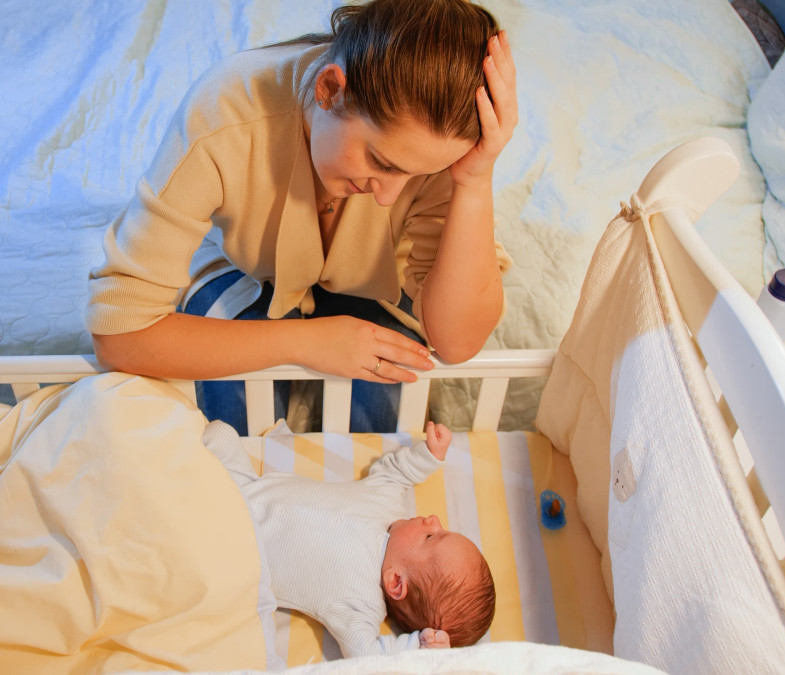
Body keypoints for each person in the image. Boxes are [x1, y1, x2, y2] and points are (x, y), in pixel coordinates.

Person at [86, 0, 517, 433]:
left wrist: (475, 179)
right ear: (329, 90)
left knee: (388, 436)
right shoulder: (224, 114)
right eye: (382, 163)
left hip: (384, 283)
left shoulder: (441, 153)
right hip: (247, 269)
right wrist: (307, 343)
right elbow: (118, 331)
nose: (387, 198)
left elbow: (457, 342)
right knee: (233, 439)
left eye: (417, 175)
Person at [201, 418, 496, 657]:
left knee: (197, 564)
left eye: (432, 536)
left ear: (396, 582)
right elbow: (396, 474)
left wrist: (417, 648)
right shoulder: (386, 502)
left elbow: (365, 654)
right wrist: (430, 456)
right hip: (245, 486)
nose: (433, 519)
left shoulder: (361, 605)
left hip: (233, 549)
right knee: (219, 433)